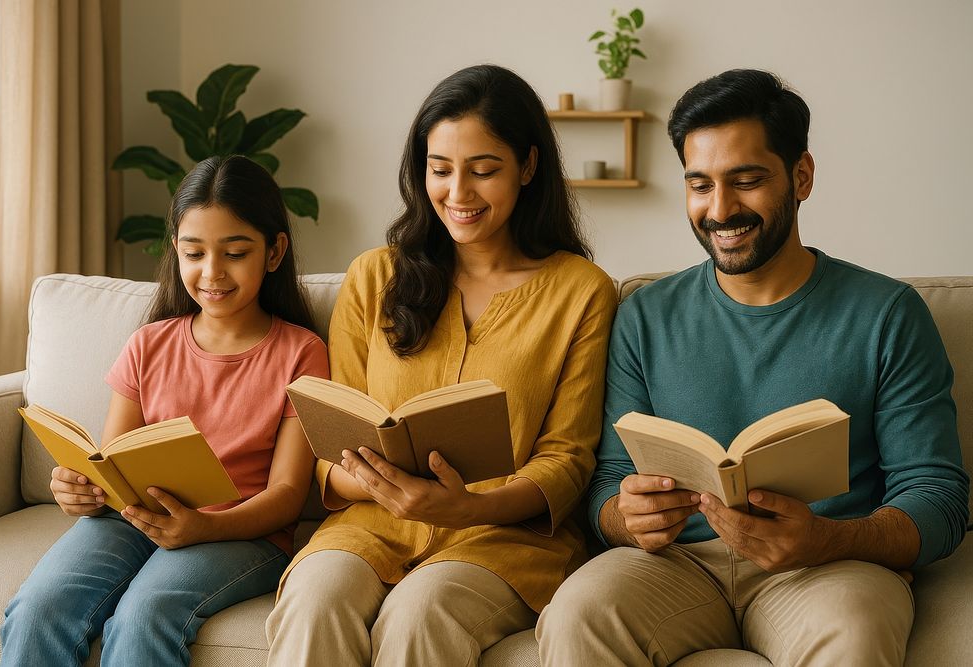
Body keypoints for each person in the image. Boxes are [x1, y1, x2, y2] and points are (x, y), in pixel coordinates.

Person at [537, 69, 969, 666]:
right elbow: (608, 485)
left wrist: (825, 538)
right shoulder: (644, 316)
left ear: (802, 176)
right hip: (678, 566)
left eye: (746, 181)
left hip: (828, 566)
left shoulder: (888, 314)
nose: (721, 209)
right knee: (579, 612)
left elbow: (940, 498)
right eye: (700, 184)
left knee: (854, 628)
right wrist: (624, 515)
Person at [265, 64, 617, 666]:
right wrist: (383, 488)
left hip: (500, 538)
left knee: (419, 612)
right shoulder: (374, 277)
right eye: (440, 169)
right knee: (314, 598)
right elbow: (332, 439)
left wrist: (466, 508)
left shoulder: (580, 290)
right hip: (369, 524)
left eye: (484, 170)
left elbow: (568, 458)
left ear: (528, 167)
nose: (459, 193)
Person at [0, 155, 330, 666]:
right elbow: (112, 461)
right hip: (129, 519)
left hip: (241, 532)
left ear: (274, 251)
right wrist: (81, 489)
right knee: (37, 608)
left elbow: (287, 495)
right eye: (194, 253)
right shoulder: (147, 344)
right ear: (175, 249)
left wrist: (205, 527)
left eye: (235, 253)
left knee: (143, 615)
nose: (212, 272)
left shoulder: (301, 352)